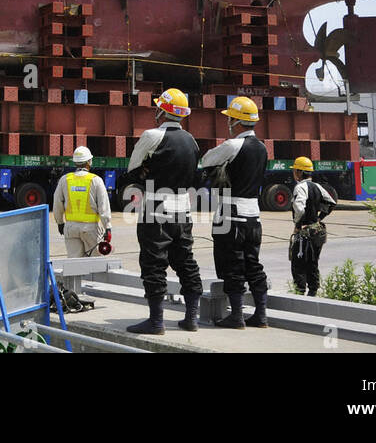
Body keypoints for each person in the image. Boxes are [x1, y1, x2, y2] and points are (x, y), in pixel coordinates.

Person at [118, 88, 203, 334]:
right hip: (183, 210)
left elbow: (132, 170)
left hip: (156, 208)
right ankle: (192, 318)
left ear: (162, 110)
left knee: (153, 263)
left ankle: (156, 322)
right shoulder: (192, 140)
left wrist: (145, 170)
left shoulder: (152, 135)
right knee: (185, 261)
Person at [201, 96, 270, 328]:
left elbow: (206, 160)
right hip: (254, 216)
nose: (228, 121)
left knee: (232, 265)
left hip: (231, 214)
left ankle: (237, 315)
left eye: (230, 118)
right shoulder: (262, 148)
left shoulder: (233, 145)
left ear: (237, 121)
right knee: (253, 264)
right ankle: (261, 315)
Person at [51, 145, 112, 262]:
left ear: (75, 162)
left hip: (71, 228)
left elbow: (57, 203)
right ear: (89, 162)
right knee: (95, 264)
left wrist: (60, 222)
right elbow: (103, 206)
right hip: (90, 229)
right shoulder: (95, 180)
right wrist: (107, 227)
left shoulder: (65, 180)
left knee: (74, 264)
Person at [290, 156, 336, 296]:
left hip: (305, 232)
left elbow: (299, 208)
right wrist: (319, 218)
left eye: (295, 170)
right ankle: (313, 292)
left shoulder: (300, 187)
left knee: (298, 264)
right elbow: (331, 203)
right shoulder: (317, 186)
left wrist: (298, 225)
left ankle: (300, 293)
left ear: (299, 171)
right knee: (313, 262)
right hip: (317, 231)